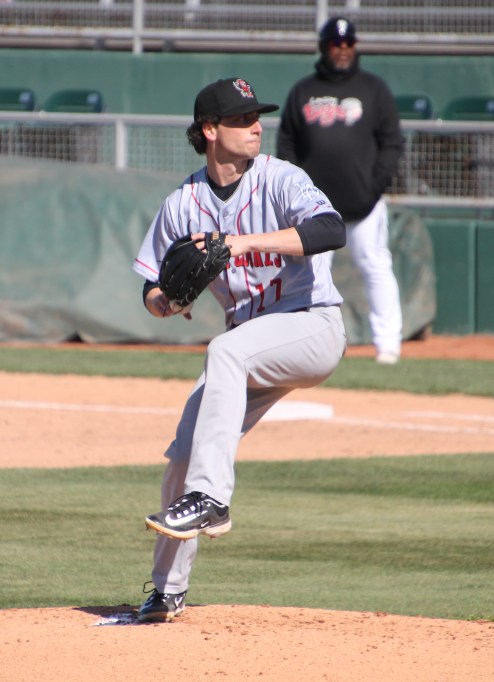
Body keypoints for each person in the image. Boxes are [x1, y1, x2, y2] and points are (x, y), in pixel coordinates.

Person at [131, 77, 349, 623]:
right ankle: (167, 591)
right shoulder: (183, 204)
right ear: (209, 130)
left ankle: (212, 499)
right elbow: (152, 289)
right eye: (241, 119)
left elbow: (330, 230)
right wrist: (168, 301)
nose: (255, 126)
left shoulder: (280, 179)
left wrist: (242, 243)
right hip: (250, 347)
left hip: (311, 325)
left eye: (257, 117)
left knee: (225, 350)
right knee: (185, 453)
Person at [276, 17, 406, 365]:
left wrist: (374, 187)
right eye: (336, 43)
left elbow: (392, 143)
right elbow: (286, 144)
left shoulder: (373, 88)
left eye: (348, 43)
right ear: (324, 47)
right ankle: (309, 345)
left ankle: (388, 345)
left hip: (364, 204)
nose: (343, 49)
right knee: (312, 275)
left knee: (376, 267)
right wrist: (298, 190)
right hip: (315, 209)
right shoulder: (303, 91)